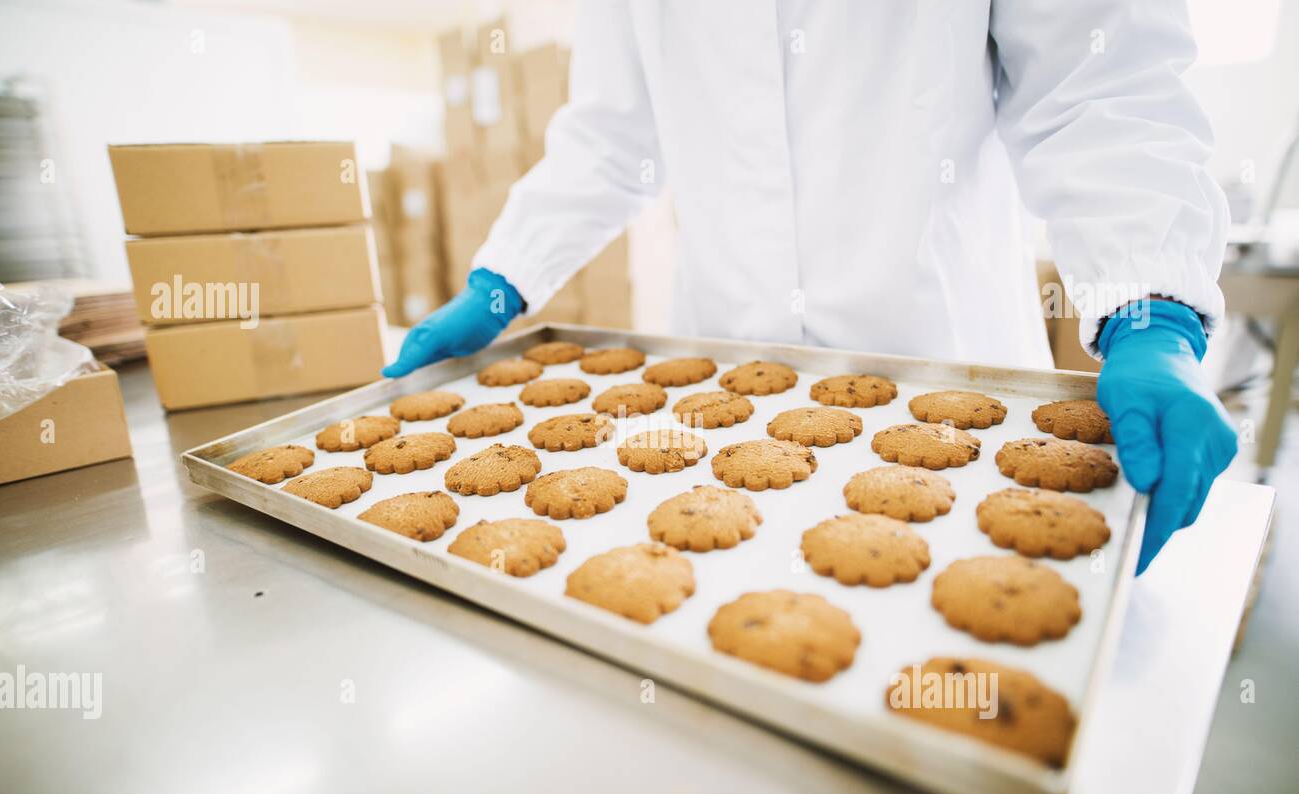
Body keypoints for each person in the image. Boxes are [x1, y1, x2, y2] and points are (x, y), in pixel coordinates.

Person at [383, 0, 1237, 574]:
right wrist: (506, 276)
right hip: (720, 396)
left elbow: (1098, 88)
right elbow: (613, 134)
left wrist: (1150, 304)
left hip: (950, 383)